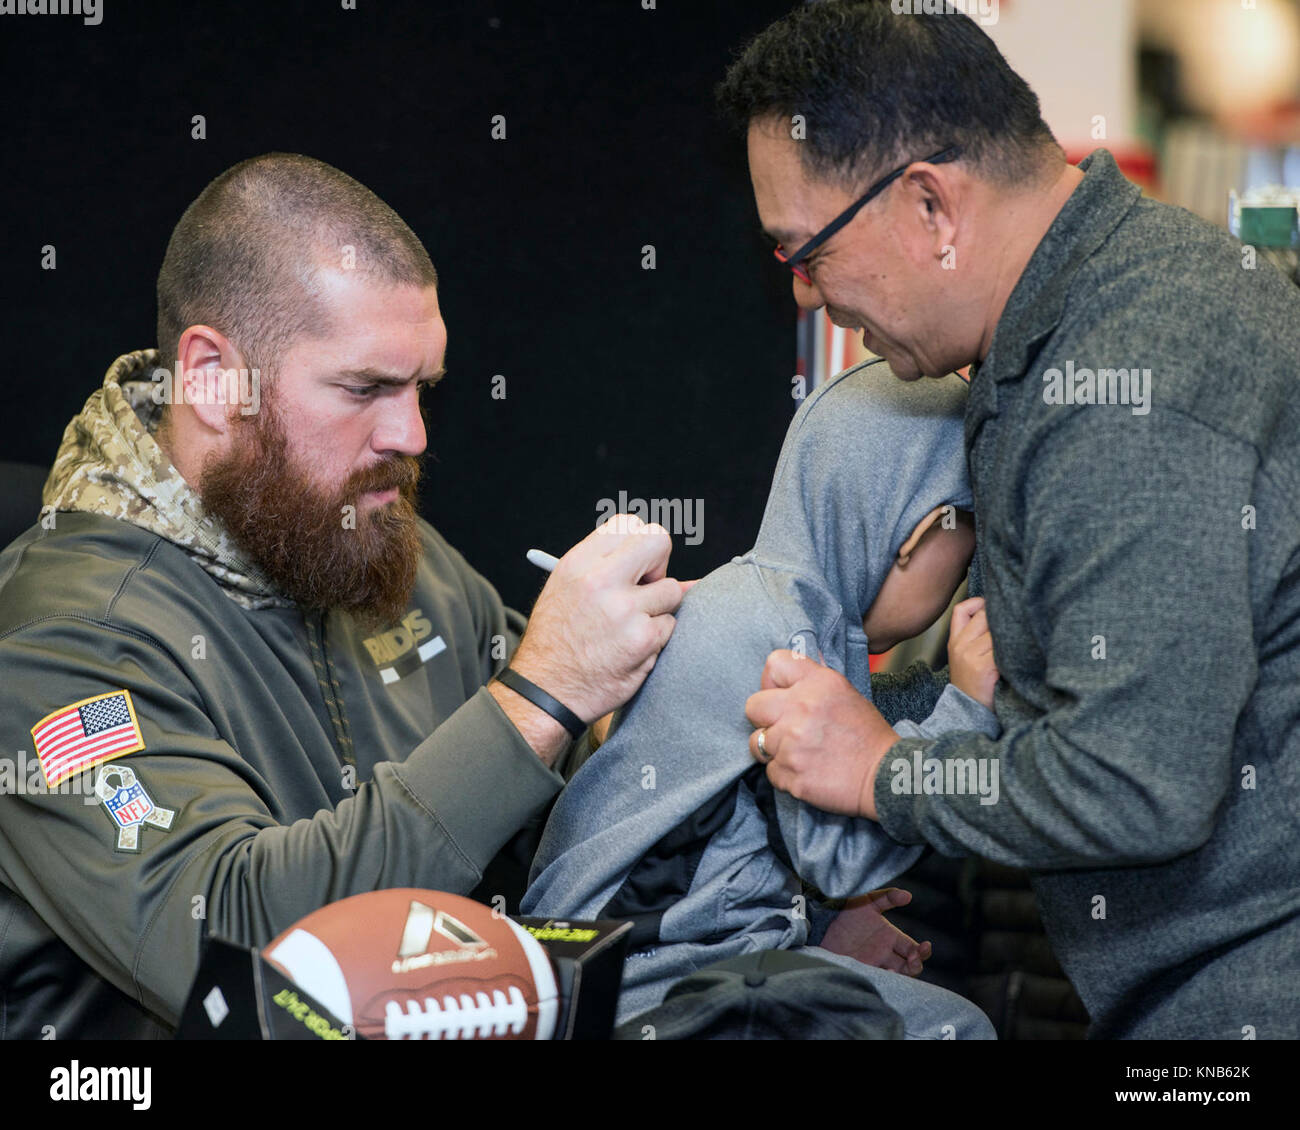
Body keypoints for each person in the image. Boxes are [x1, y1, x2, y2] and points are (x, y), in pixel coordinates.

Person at [0, 153, 688, 1038]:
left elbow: (558, 790)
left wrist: (686, 679)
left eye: (421, 389)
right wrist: (540, 694)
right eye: (365, 388)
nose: (410, 435)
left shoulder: (359, 538)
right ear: (213, 378)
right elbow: (251, 957)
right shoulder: (61, 642)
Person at [719, 1, 1300, 1038]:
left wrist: (879, 771)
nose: (808, 296)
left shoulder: (1126, 383)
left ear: (931, 207)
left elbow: (1135, 783)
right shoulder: (1092, 314)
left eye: (806, 252)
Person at [524, 359, 1000, 1038]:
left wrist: (818, 923)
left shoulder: (773, 605)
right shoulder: (786, 635)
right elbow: (842, 854)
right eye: (967, 548)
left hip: (659, 958)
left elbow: (734, 817)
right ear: (919, 533)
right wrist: (969, 711)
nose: (960, 579)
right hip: (637, 985)